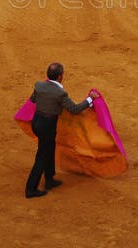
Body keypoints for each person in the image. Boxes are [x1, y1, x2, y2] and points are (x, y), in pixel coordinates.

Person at [25, 62, 100, 199]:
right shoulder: (60, 93)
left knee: (49, 148)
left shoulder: (39, 86)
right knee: (42, 156)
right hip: (47, 126)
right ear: (60, 76)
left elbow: (33, 99)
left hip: (37, 123)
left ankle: (49, 179)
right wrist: (90, 99)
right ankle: (30, 189)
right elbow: (74, 109)